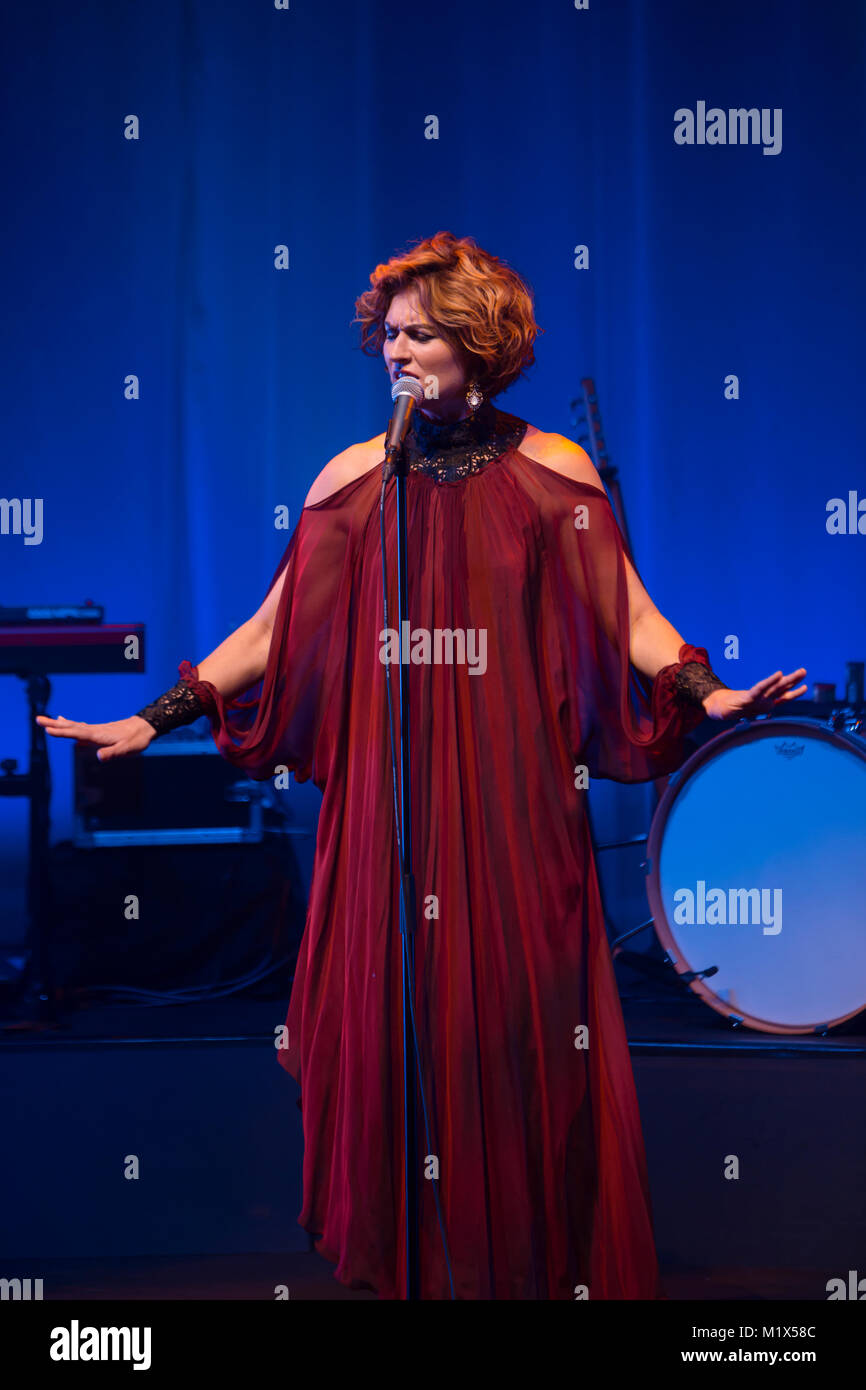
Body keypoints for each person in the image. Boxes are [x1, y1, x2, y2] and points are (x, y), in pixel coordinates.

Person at [37, 232, 807, 1300]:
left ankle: (520, 1265)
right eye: (385, 335)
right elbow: (271, 626)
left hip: (511, 793)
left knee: (508, 1030)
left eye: (416, 334)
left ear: (475, 343)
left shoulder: (553, 474)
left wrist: (703, 691)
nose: (392, 351)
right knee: (388, 1022)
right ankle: (418, 1264)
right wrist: (152, 718)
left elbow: (625, 614)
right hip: (385, 798)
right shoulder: (356, 479)